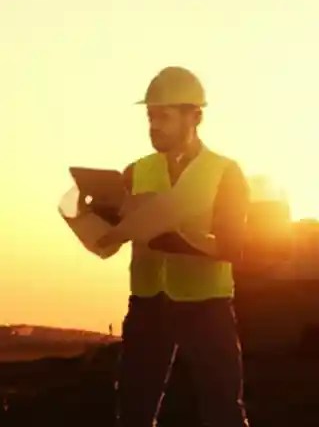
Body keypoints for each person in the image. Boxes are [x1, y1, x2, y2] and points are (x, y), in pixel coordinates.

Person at [96, 66, 252, 427]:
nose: (154, 124)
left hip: (206, 309)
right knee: (134, 409)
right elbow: (114, 235)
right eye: (150, 115)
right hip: (148, 304)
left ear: (195, 117)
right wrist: (94, 219)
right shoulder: (136, 170)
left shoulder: (224, 172)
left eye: (163, 116)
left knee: (222, 410)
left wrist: (177, 240)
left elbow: (232, 246)